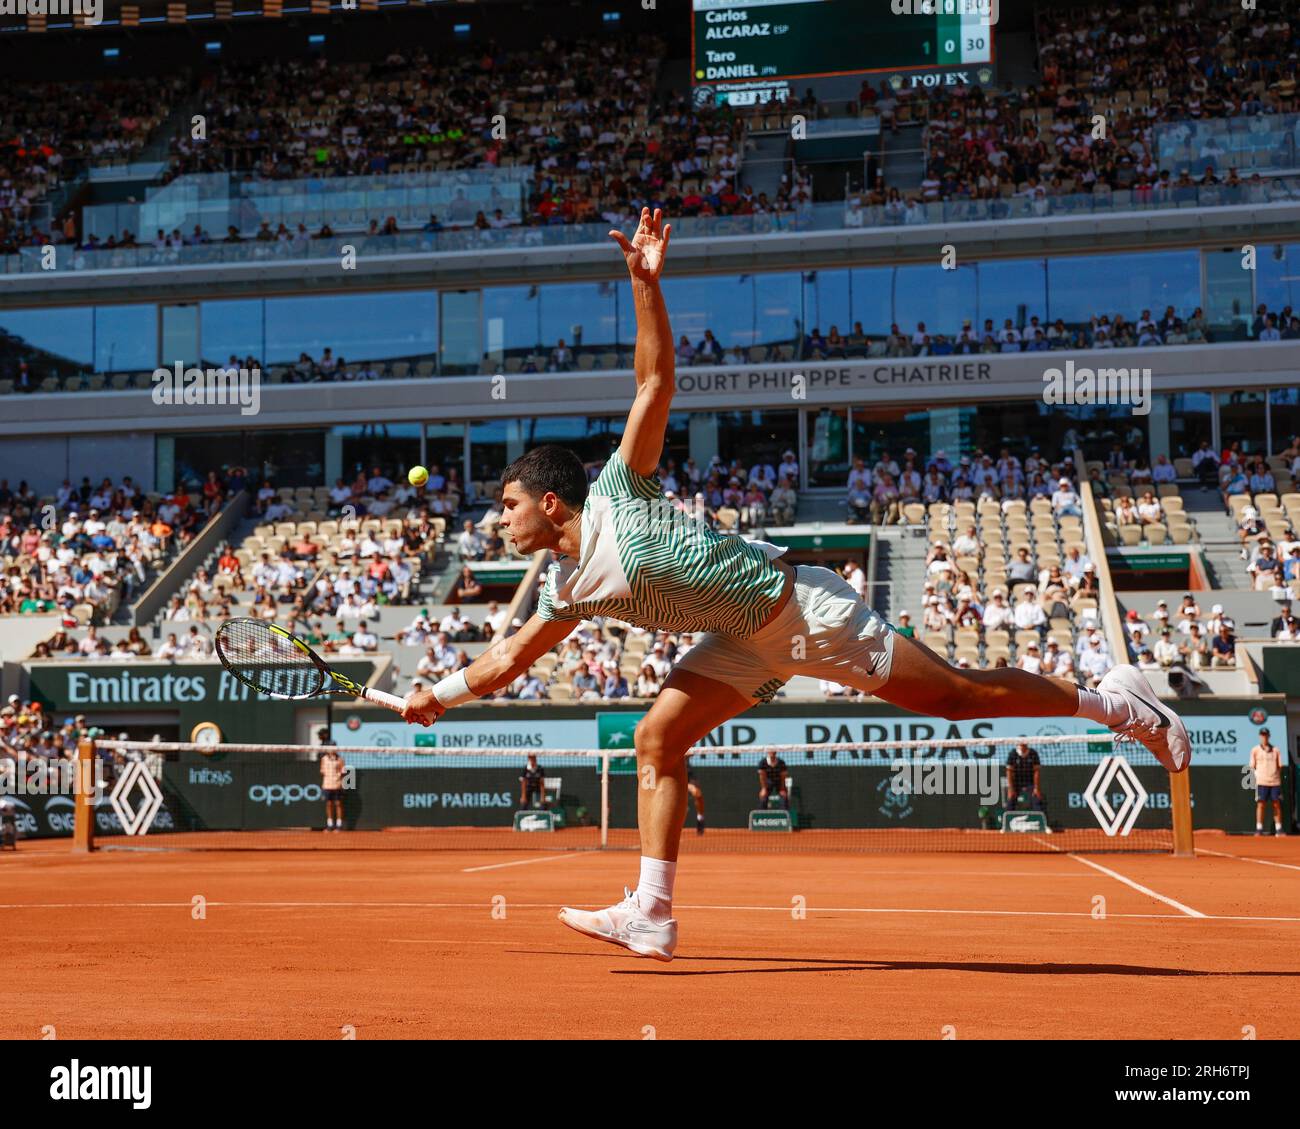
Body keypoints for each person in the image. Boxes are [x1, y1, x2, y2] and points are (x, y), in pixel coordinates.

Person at [399, 208, 1189, 963]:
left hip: (801, 610)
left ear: (547, 501)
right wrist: (431, 693)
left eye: (506, 506)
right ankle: (652, 912)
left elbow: (653, 383)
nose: (499, 522)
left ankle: (1117, 703)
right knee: (656, 738)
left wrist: (645, 281)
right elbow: (505, 660)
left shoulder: (615, 490)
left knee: (958, 696)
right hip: (740, 642)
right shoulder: (563, 589)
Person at [1250, 729, 1285, 836]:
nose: (1264, 737)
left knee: (1276, 804)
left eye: (1266, 735)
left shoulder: (1276, 750)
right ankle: (1259, 828)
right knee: (1261, 804)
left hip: (1275, 782)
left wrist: (1274, 775)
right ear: (1260, 736)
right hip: (1261, 781)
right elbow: (1253, 765)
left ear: (1269, 736)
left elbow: (1280, 766)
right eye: (1262, 735)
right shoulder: (1255, 750)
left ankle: (1279, 829)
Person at [318, 730, 346, 832]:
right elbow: (322, 772)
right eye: (330, 747)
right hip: (327, 785)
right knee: (329, 804)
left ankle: (339, 824)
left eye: (333, 746)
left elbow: (343, 772)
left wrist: (342, 785)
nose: (332, 749)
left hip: (337, 785)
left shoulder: (340, 759)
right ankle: (330, 824)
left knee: (338, 804)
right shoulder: (324, 759)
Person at [1004, 741, 1043, 816]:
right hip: (1016, 783)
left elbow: (1036, 772)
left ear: (1026, 745)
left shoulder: (1033, 753)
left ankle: (1042, 823)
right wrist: (1011, 789)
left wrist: (1036, 788)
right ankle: (1006, 823)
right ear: (1018, 745)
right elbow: (1009, 772)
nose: (1022, 746)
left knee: (1037, 798)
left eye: (1024, 744)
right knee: (1011, 799)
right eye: (1020, 744)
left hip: (1030, 782)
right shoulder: (1013, 754)